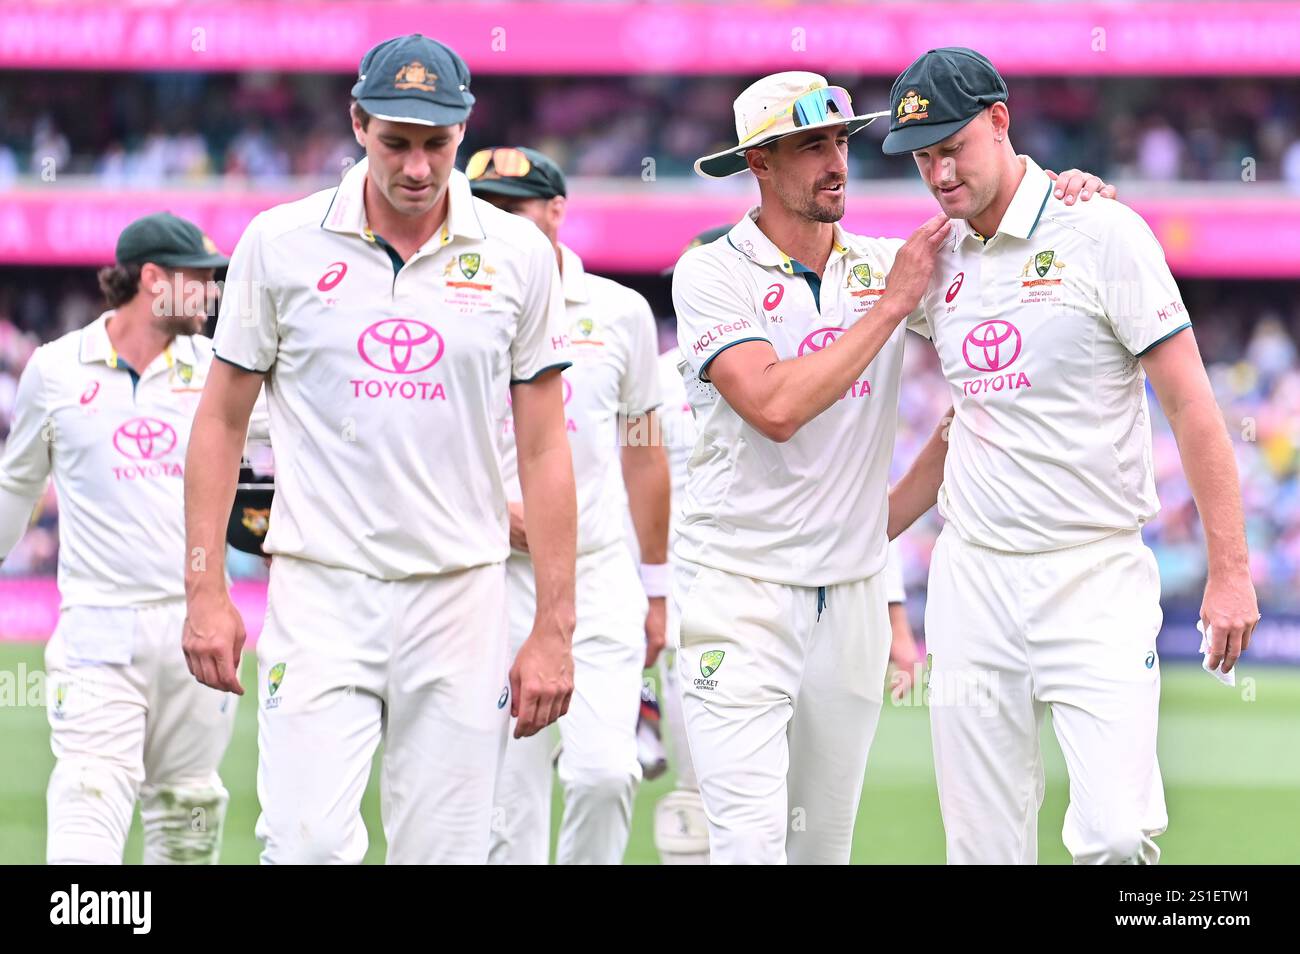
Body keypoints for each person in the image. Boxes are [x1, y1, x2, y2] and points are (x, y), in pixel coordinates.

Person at [182, 34, 578, 864]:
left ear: (463, 130)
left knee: (445, 852)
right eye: (396, 141)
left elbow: (545, 449)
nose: (417, 168)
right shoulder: (279, 242)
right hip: (321, 588)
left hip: (462, 597)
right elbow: (220, 420)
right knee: (305, 845)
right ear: (357, 122)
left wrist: (553, 626)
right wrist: (205, 589)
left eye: (436, 143)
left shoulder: (518, 255)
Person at [884, 47, 1259, 864]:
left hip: (1093, 575)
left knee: (1116, 837)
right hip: (972, 579)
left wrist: (1230, 571)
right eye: (923, 158)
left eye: (954, 146)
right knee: (982, 848)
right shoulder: (930, 257)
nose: (941, 173)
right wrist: (861, 532)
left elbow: (1194, 406)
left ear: (1000, 121)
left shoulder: (1104, 233)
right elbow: (967, 419)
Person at [0, 212, 237, 864]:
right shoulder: (54, 370)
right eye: (200, 280)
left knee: (188, 814)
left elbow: (296, 452)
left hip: (198, 628)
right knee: (88, 794)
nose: (212, 294)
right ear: (154, 279)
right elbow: (15, 488)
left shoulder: (222, 370)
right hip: (97, 626)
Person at [468, 146, 669, 865]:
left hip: (597, 577)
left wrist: (657, 589)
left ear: (556, 212)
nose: (494, 226)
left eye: (511, 210)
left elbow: (644, 449)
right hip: (491, 577)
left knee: (603, 774)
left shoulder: (619, 313)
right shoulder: (458, 305)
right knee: (506, 808)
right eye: (482, 209)